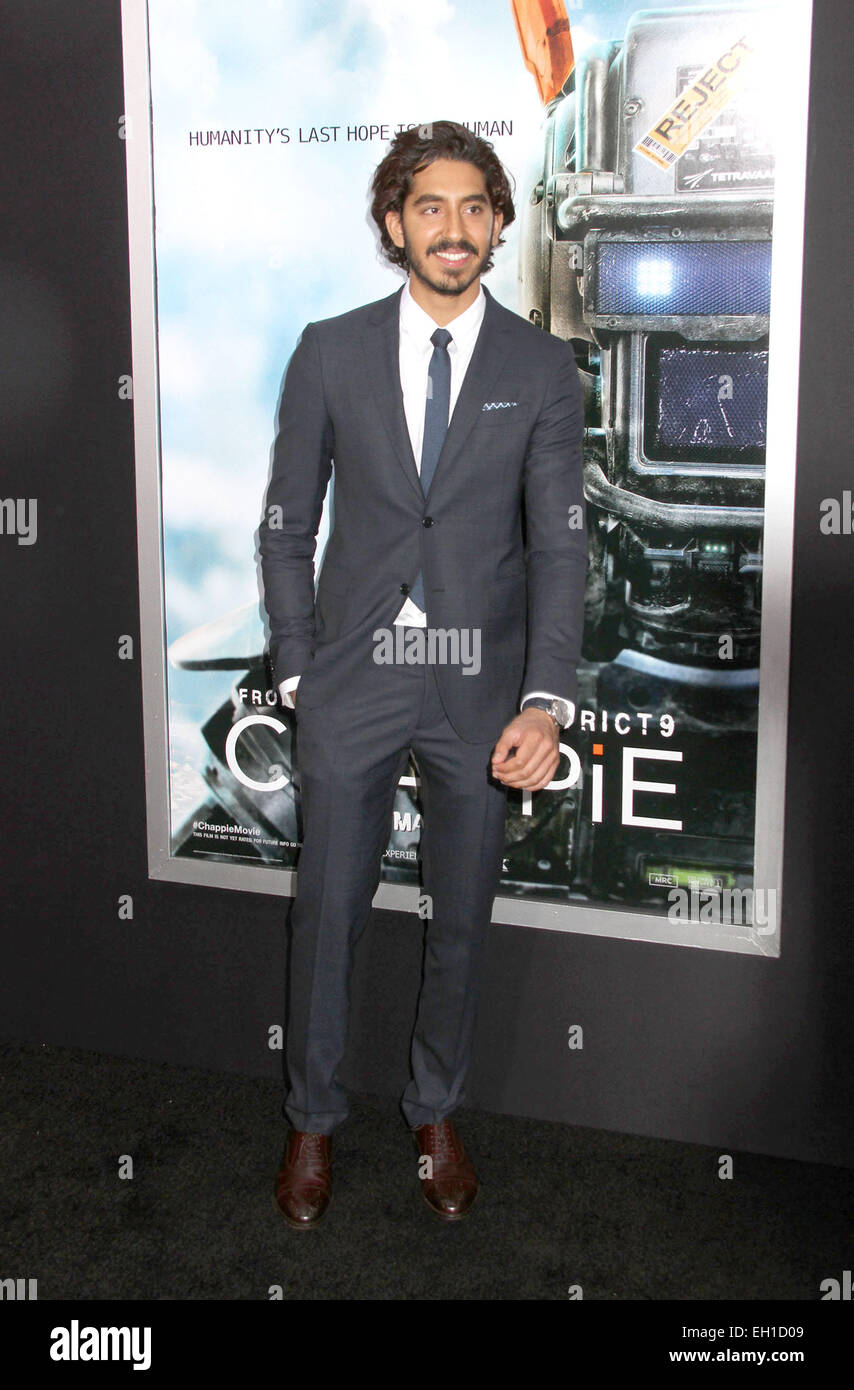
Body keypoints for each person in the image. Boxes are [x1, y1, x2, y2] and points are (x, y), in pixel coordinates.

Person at [259, 119, 587, 1227]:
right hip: (354, 680)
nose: (453, 228)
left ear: (498, 223)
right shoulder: (330, 349)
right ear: (393, 223)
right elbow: (287, 523)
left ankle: (433, 1108)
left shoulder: (542, 368)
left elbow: (558, 543)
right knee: (329, 915)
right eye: (429, 206)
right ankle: (311, 1120)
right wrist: (300, 672)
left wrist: (544, 697)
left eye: (474, 207)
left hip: (478, 688)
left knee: (459, 918)